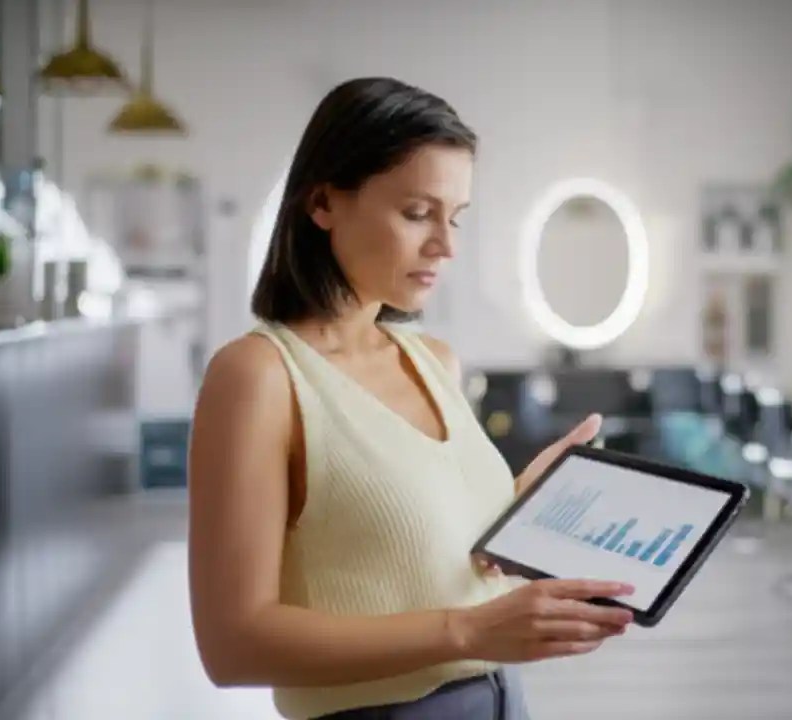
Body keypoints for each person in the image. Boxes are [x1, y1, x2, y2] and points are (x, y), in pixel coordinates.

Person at [187, 77, 635, 720]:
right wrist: (468, 631)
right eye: (417, 213)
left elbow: (415, 556)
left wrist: (520, 514)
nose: (445, 246)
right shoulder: (258, 377)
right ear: (323, 202)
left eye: (455, 218)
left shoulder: (434, 361)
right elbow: (232, 646)